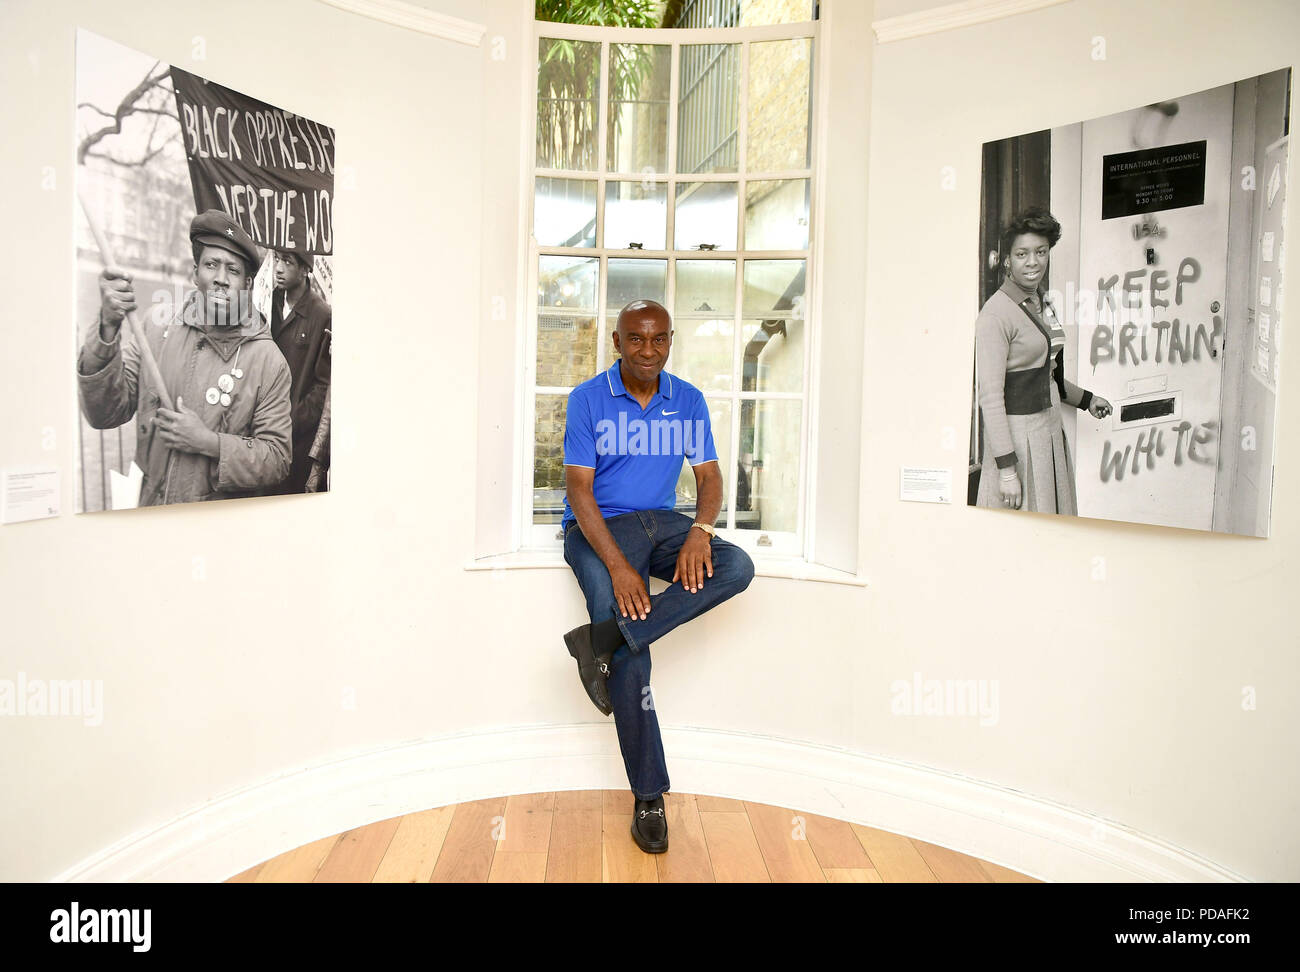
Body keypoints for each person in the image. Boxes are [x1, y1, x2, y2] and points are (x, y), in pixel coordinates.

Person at [560, 299, 756, 855]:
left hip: (666, 525)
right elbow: (579, 490)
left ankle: (604, 642)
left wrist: (700, 530)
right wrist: (620, 569)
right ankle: (649, 796)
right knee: (634, 647)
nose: (649, 350)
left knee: (736, 566)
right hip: (602, 529)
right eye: (637, 340)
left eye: (660, 340)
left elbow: (710, 477)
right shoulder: (588, 399)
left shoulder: (687, 400)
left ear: (670, 342)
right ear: (617, 343)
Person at [78, 210, 292, 507]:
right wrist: (107, 326)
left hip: (214, 530)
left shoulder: (269, 362)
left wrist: (209, 442)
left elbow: (277, 459)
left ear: (247, 283)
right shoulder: (155, 328)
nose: (220, 279)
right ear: (195, 273)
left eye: (232, 270)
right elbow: (103, 413)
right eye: (211, 265)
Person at [974, 207, 1113, 513]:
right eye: (1022, 254)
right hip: (1018, 440)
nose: (1033, 262)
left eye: (1041, 251)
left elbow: (1048, 375)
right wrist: (1007, 471)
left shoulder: (1042, 300)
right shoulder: (995, 315)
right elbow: (991, 398)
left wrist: (1087, 400)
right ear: (1007, 260)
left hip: (1049, 431)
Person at [267, 248, 332, 494]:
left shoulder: (322, 315)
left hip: (295, 441)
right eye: (277, 260)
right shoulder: (266, 301)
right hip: (261, 431)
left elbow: (322, 386)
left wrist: (292, 420)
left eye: (288, 262)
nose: (279, 268)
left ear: (305, 269)